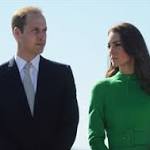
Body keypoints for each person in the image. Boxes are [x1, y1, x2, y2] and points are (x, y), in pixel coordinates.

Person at [0, 6, 79, 150]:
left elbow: (70, 123)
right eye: (35, 30)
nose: (42, 36)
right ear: (17, 33)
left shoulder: (62, 74)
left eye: (44, 30)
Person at [88, 22, 150, 150]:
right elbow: (95, 138)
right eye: (109, 46)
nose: (111, 51)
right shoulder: (101, 90)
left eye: (117, 45)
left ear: (133, 46)